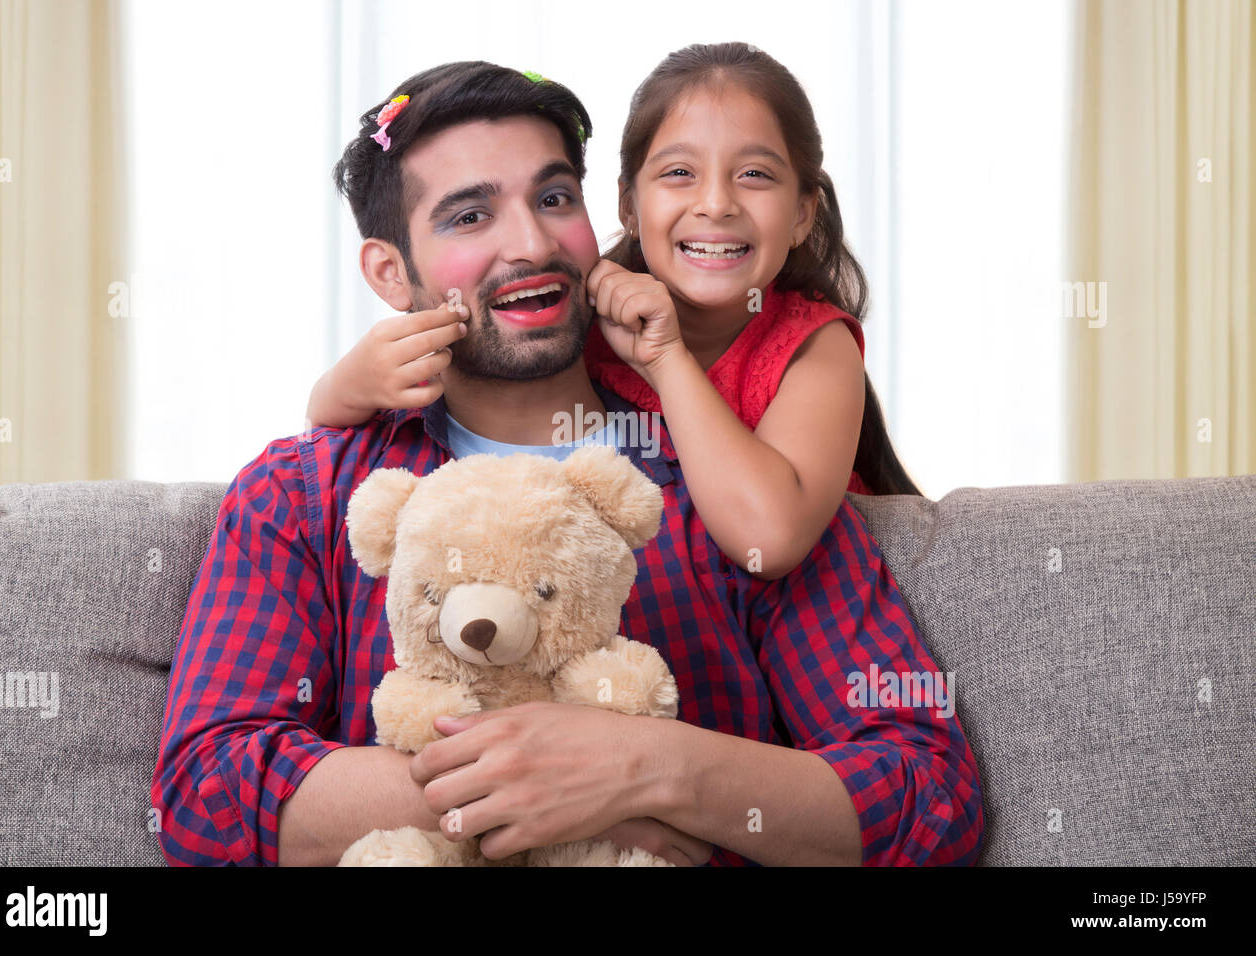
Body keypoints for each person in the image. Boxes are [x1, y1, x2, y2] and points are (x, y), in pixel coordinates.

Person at [152, 60, 983, 867]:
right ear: (391, 273)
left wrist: (647, 767)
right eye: (469, 217)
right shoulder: (303, 495)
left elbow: (926, 794)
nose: (531, 243)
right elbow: (205, 794)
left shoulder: (729, 481)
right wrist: (531, 787)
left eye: (554, 198)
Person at [306, 42, 922, 582]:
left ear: (802, 214)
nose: (715, 204)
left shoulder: (812, 344)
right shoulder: (580, 308)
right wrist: (346, 384)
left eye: (755, 174)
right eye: (680, 173)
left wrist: (667, 358)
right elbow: (320, 440)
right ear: (628, 205)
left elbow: (770, 541)